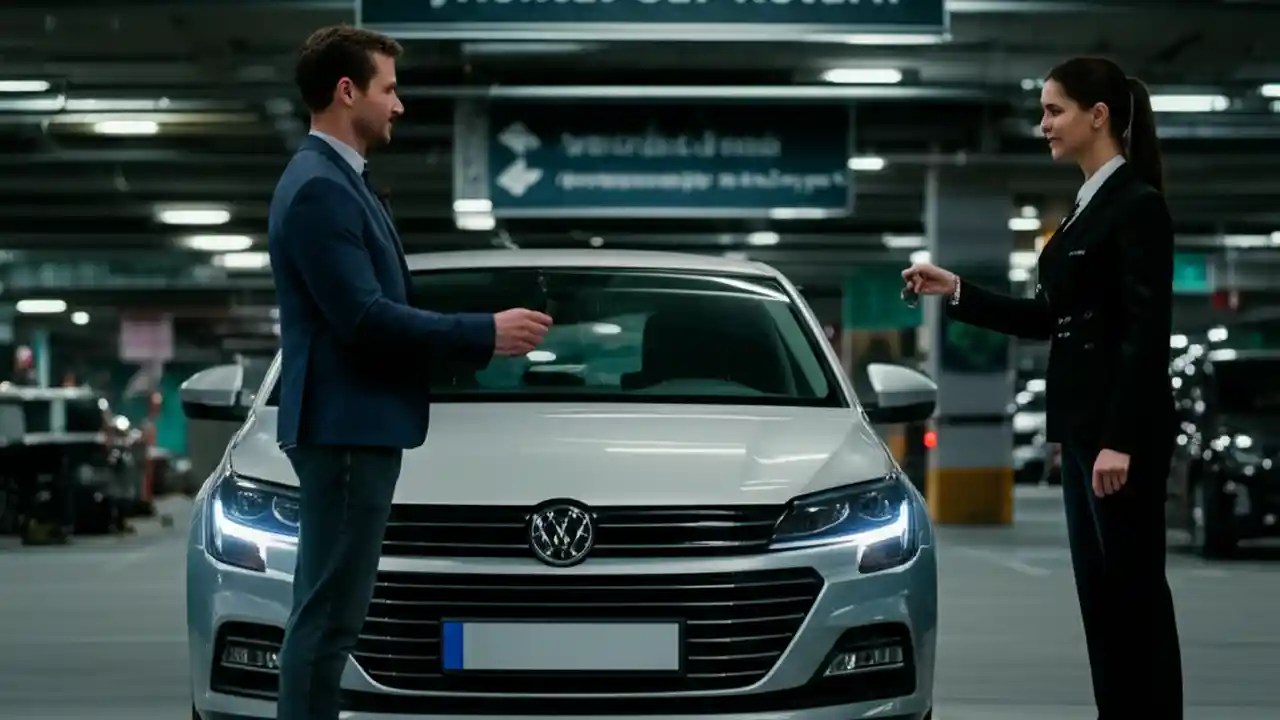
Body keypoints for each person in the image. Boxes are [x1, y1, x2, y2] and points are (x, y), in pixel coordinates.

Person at [266, 25, 553, 720]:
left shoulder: (338, 182)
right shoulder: (319, 190)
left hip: (354, 429)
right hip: (344, 432)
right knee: (328, 620)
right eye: (388, 89)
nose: (398, 105)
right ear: (347, 91)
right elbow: (363, 319)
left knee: (332, 616)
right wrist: (483, 333)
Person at [902, 56, 1182, 719]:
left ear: (1098, 116)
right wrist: (958, 289)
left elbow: (1147, 335)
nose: (1043, 125)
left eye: (1054, 111)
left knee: (1134, 601)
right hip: (1086, 435)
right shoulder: (1088, 208)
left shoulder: (1136, 207)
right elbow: (1048, 319)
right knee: (1103, 604)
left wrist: (1119, 441)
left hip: (1121, 444)